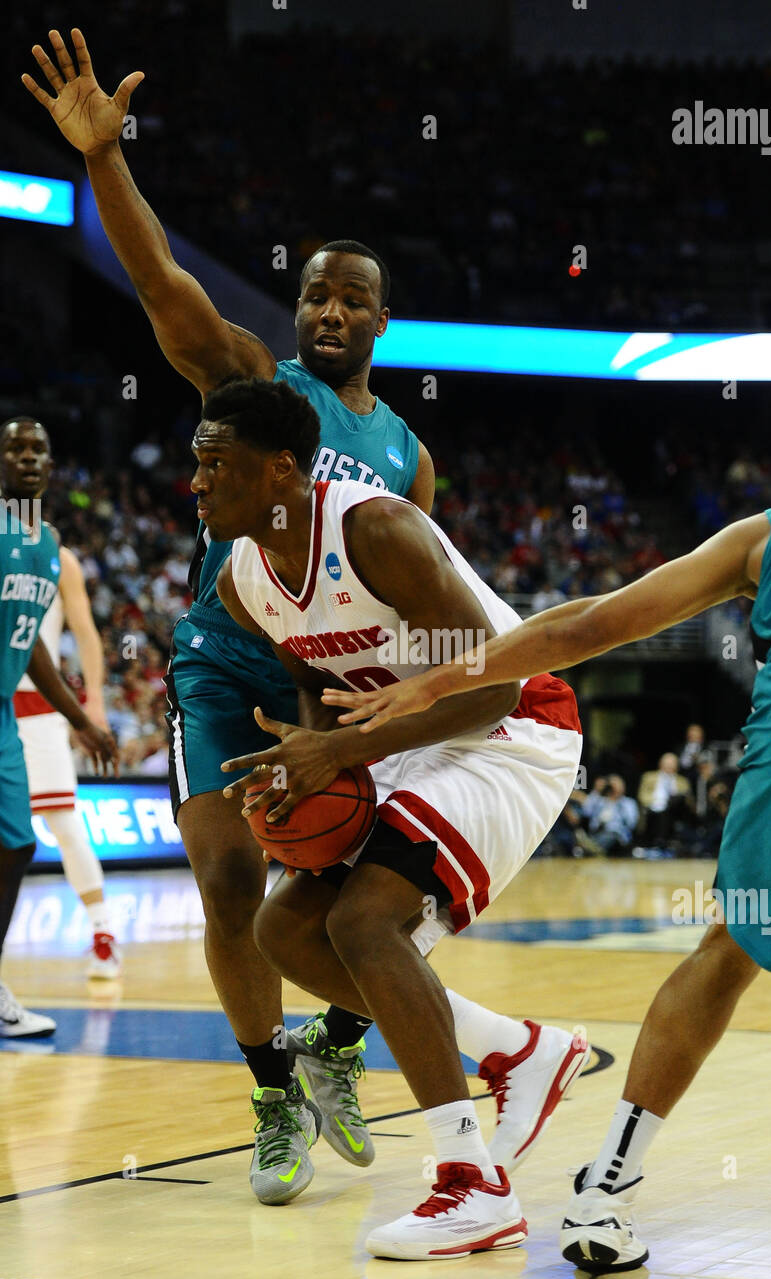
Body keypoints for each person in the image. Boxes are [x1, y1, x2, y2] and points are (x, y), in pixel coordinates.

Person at [23, 28, 584, 1206]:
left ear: (381, 322)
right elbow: (166, 291)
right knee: (232, 887)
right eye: (313, 292)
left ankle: (349, 1046)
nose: (328, 308)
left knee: (365, 890)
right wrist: (107, 160)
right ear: (295, 311)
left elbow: (430, 628)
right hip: (230, 660)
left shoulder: (406, 463)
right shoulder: (258, 390)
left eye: (351, 298)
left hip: (340, 671)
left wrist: (367, 718)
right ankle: (275, 1086)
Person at [322, 388, 771, 1271]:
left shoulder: (770, 530)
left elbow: (593, 623)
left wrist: (435, 681)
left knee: (725, 952)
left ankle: (604, 1193)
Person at [197, 376, 585, 1256]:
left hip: (510, 729)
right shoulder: (241, 582)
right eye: (196, 463)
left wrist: (338, 756)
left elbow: (492, 691)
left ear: (280, 470)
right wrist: (304, 764)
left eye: (214, 463)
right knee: (284, 931)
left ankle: (471, 1183)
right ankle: (516, 1051)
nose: (196, 483)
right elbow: (323, 694)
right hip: (401, 740)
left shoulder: (376, 529)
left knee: (366, 921)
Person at [0, 441, 117, 1037]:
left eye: (40, 450)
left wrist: (88, 705)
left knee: (48, 828)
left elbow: (73, 637)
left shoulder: (55, 554)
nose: (28, 459)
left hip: (34, 703)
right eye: (14, 449)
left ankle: (101, 928)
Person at [570, 775, 639, 857]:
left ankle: (592, 848)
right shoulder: (600, 801)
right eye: (611, 785)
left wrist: (619, 805)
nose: (614, 788)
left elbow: (632, 823)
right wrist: (597, 791)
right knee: (600, 835)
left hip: (618, 835)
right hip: (598, 832)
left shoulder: (628, 803)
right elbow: (586, 811)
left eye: (617, 785)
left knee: (612, 834)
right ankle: (594, 847)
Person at [636, 752, 690, 851]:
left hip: (674, 810)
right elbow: (642, 795)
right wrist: (657, 802)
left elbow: (687, 800)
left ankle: (664, 843)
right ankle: (658, 843)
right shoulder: (649, 777)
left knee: (673, 804)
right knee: (660, 812)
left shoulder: (682, 781)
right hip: (653, 807)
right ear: (660, 764)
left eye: (671, 764)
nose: (669, 766)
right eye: (667, 764)